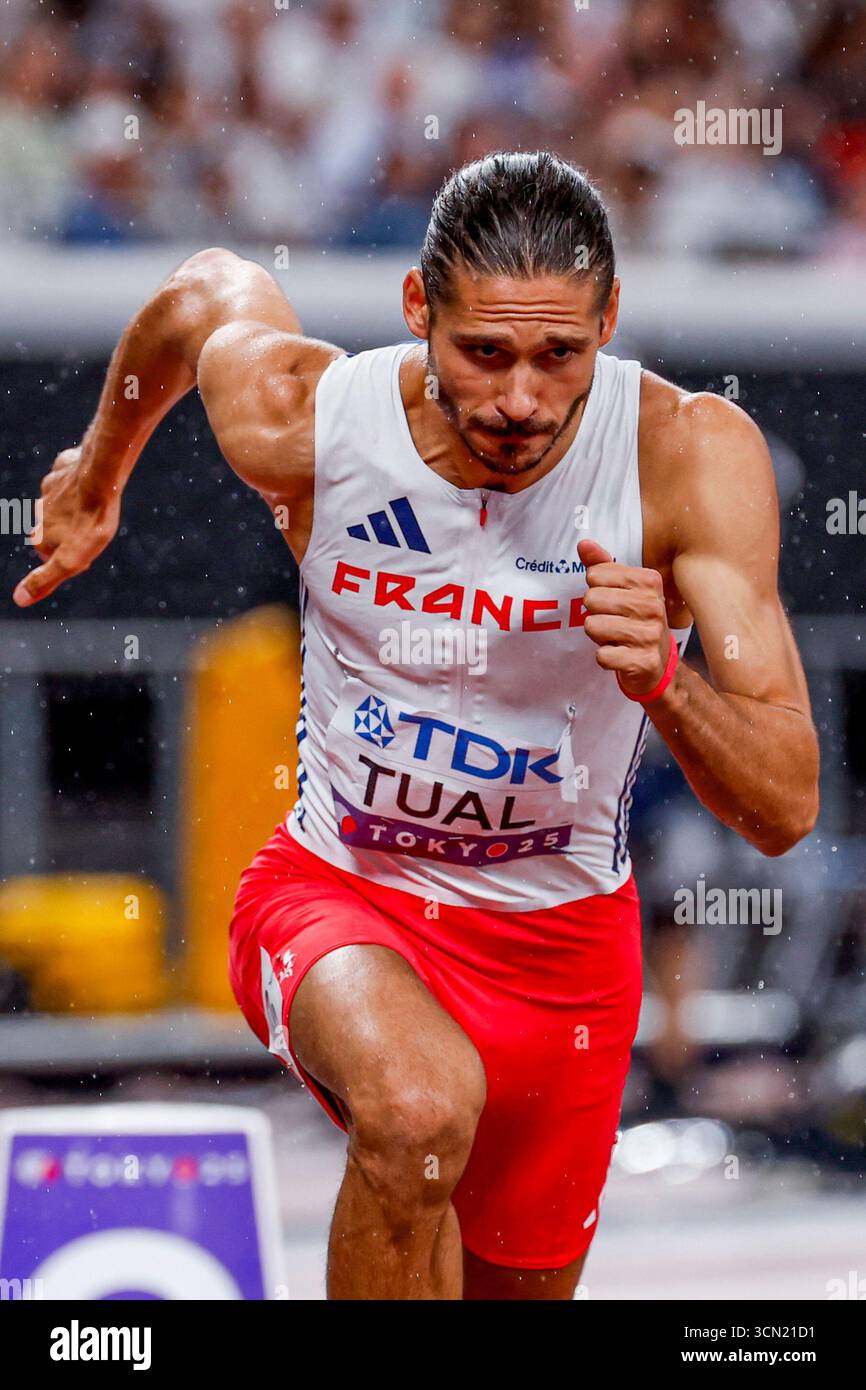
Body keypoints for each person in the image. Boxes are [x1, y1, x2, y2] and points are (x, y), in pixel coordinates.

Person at [14, 151, 819, 1301]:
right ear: (414, 311)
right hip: (341, 889)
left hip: (561, 957)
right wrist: (98, 478)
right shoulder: (307, 416)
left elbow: (785, 802)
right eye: (480, 352)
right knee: (415, 1108)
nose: (519, 401)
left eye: (559, 357)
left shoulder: (687, 457)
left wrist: (665, 684)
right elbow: (202, 293)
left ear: (609, 323)